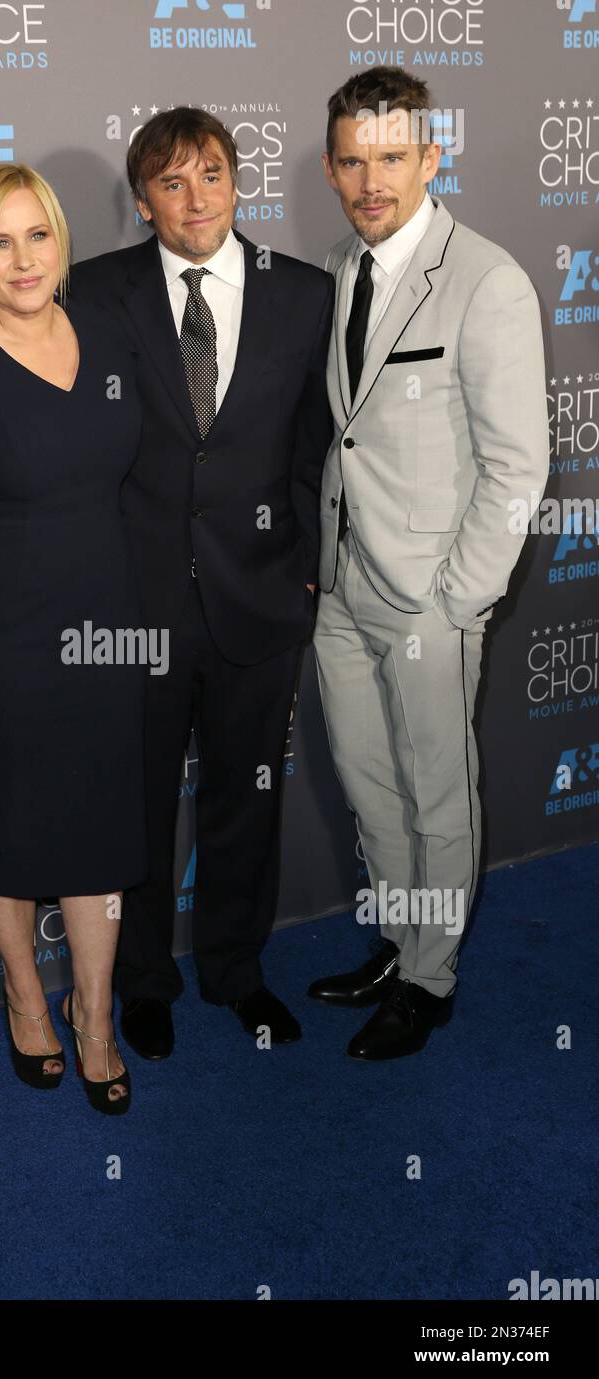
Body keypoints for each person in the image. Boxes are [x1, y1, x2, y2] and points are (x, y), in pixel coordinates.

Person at [0, 109, 334, 1063]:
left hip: (259, 596)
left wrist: (305, 567)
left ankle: (235, 971)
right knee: (131, 808)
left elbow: (317, 446)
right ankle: (139, 987)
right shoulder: (92, 289)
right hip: (126, 607)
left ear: (240, 182)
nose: (196, 200)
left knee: (247, 796)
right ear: (141, 200)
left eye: (213, 176)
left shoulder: (303, 294)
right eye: (171, 183)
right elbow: (5, 319)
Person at [308, 67, 550, 1059]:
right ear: (331, 168)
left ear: (431, 157)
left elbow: (517, 465)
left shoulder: (489, 279)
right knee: (372, 787)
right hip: (339, 586)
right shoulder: (337, 267)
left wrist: (457, 602)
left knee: (438, 793)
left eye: (393, 158)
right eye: (355, 161)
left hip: (428, 600)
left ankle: (431, 978)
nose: (374, 181)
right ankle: (399, 939)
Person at [0, 163, 146, 1114]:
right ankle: (22, 996)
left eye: (36, 235)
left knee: (99, 816)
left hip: (108, 617)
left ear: (61, 239)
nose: (20, 260)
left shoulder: (110, 326)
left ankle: (95, 1015)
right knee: (3, 818)